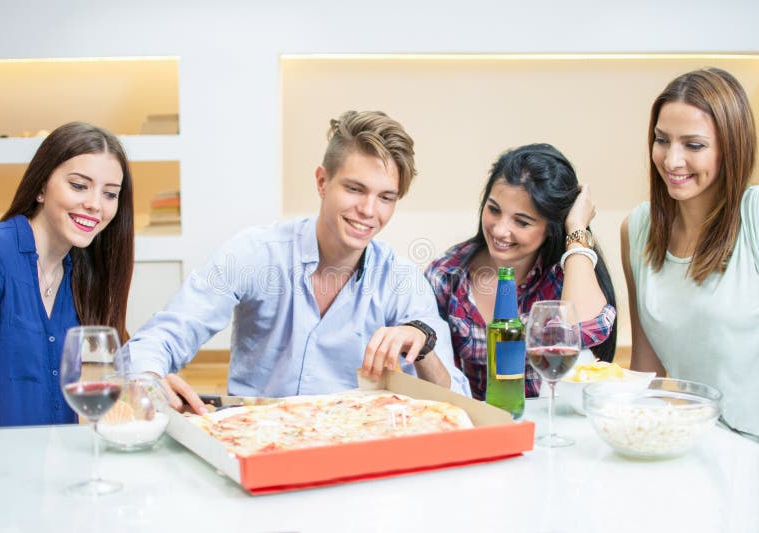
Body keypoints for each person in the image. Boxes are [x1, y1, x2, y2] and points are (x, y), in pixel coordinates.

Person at [124, 110, 470, 413]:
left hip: (360, 448)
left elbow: (458, 402)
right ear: (322, 182)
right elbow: (163, 337)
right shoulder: (255, 253)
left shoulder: (401, 279)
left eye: (386, 197)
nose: (368, 210)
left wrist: (422, 345)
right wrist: (150, 380)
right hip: (256, 438)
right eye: (354, 189)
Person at [0, 122, 135, 428]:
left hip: (49, 469)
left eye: (110, 194)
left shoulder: (84, 274)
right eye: (79, 186)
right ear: (41, 186)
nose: (95, 205)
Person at [622, 67, 758, 438]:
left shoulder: (754, 216)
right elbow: (646, 370)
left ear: (731, 147)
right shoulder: (638, 228)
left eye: (693, 145)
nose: (671, 160)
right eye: (662, 140)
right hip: (690, 442)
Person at [426, 143, 617, 401]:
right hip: (469, 425)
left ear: (551, 227)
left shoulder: (565, 275)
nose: (500, 230)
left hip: (550, 428)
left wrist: (577, 227)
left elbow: (584, 329)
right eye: (494, 210)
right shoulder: (448, 275)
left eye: (522, 222)